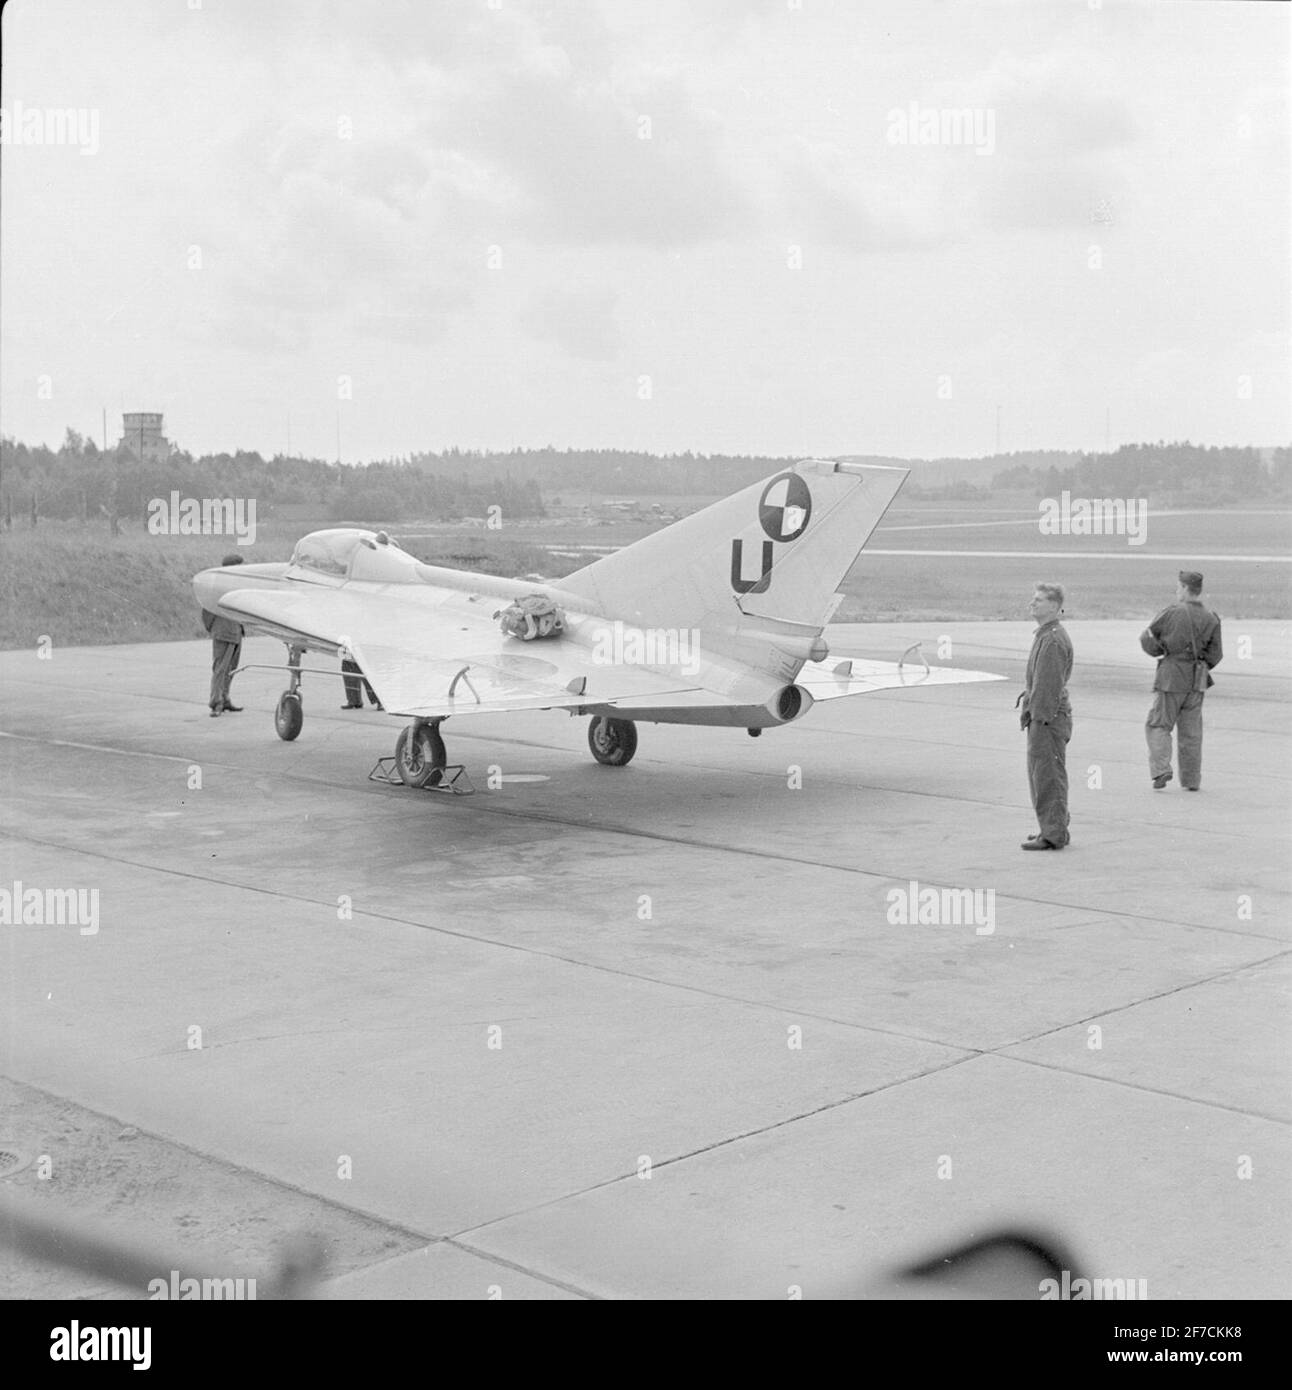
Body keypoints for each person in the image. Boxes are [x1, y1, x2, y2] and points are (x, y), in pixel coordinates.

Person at [1139, 570, 1222, 790]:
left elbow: (1146, 637)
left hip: (1171, 677)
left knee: (1158, 724)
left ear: (1186, 588)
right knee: (1192, 733)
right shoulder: (1211, 617)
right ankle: (1192, 780)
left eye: (1179, 587)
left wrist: (1161, 651)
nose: (1177, 590)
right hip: (1197, 680)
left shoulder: (1172, 612)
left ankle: (1161, 770)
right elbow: (1216, 655)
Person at [1018, 582, 1073, 850]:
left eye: (1038, 600)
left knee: (1047, 776)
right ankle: (1053, 826)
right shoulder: (1046, 635)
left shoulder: (1051, 640)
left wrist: (1037, 718)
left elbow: (1047, 687)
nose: (1032, 603)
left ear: (1053, 606)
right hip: (1045, 716)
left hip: (1046, 718)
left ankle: (1053, 834)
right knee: (1044, 774)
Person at [202, 554, 245, 717]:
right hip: (224, 632)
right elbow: (207, 609)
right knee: (220, 669)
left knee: (231, 669)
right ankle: (216, 703)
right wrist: (215, 629)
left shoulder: (234, 584)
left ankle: (225, 699)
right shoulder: (217, 586)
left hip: (235, 631)